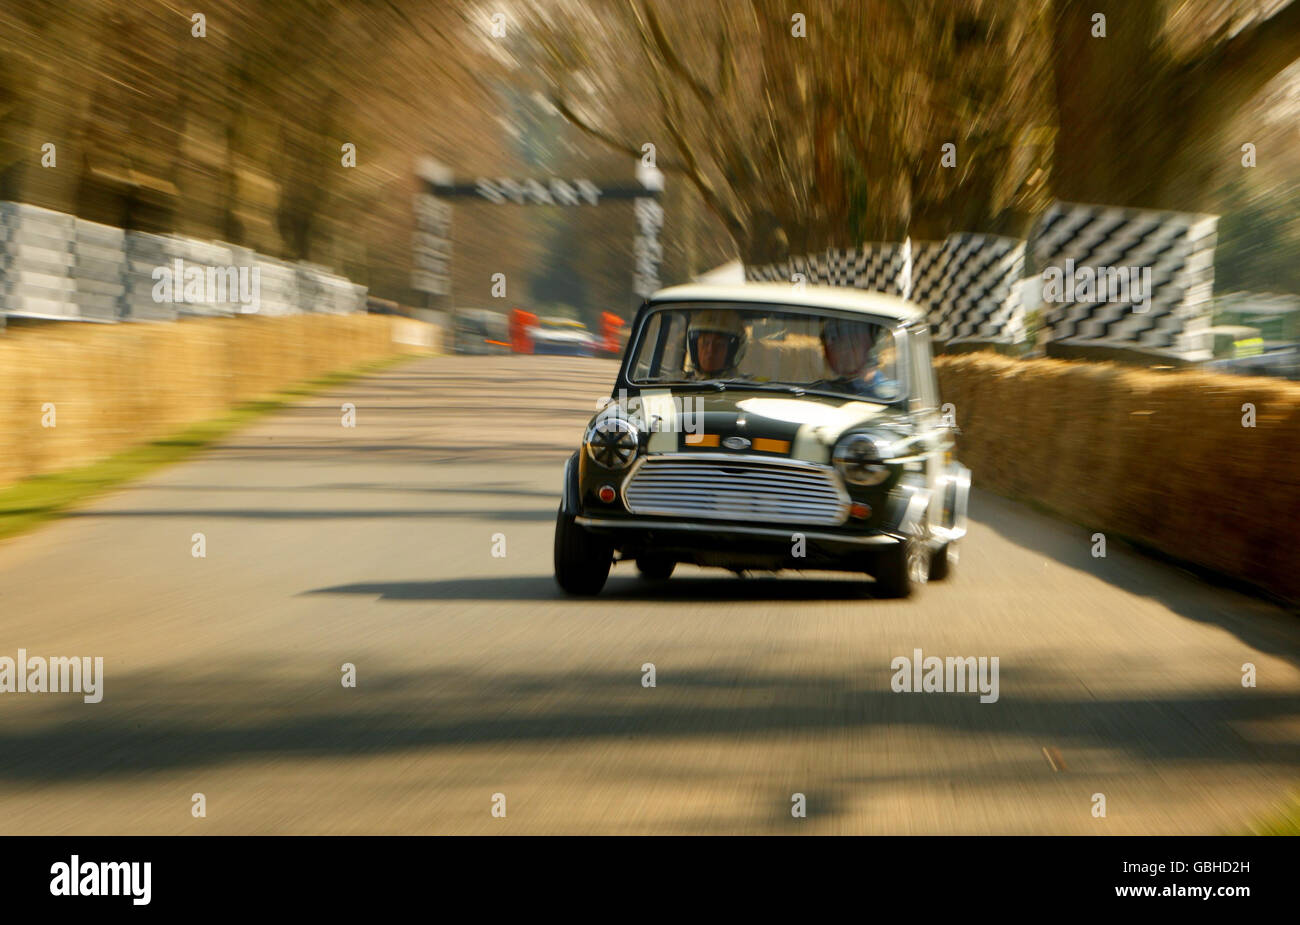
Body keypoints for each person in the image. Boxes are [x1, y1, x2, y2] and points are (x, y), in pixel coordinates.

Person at [814, 317, 901, 399]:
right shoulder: (820, 391)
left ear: (869, 345)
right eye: (833, 346)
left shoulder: (892, 394)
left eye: (849, 344)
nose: (842, 352)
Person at [686, 310, 748, 379]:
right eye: (705, 343)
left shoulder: (746, 387)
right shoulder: (681, 384)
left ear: (732, 352)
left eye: (719, 344)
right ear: (694, 347)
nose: (710, 350)